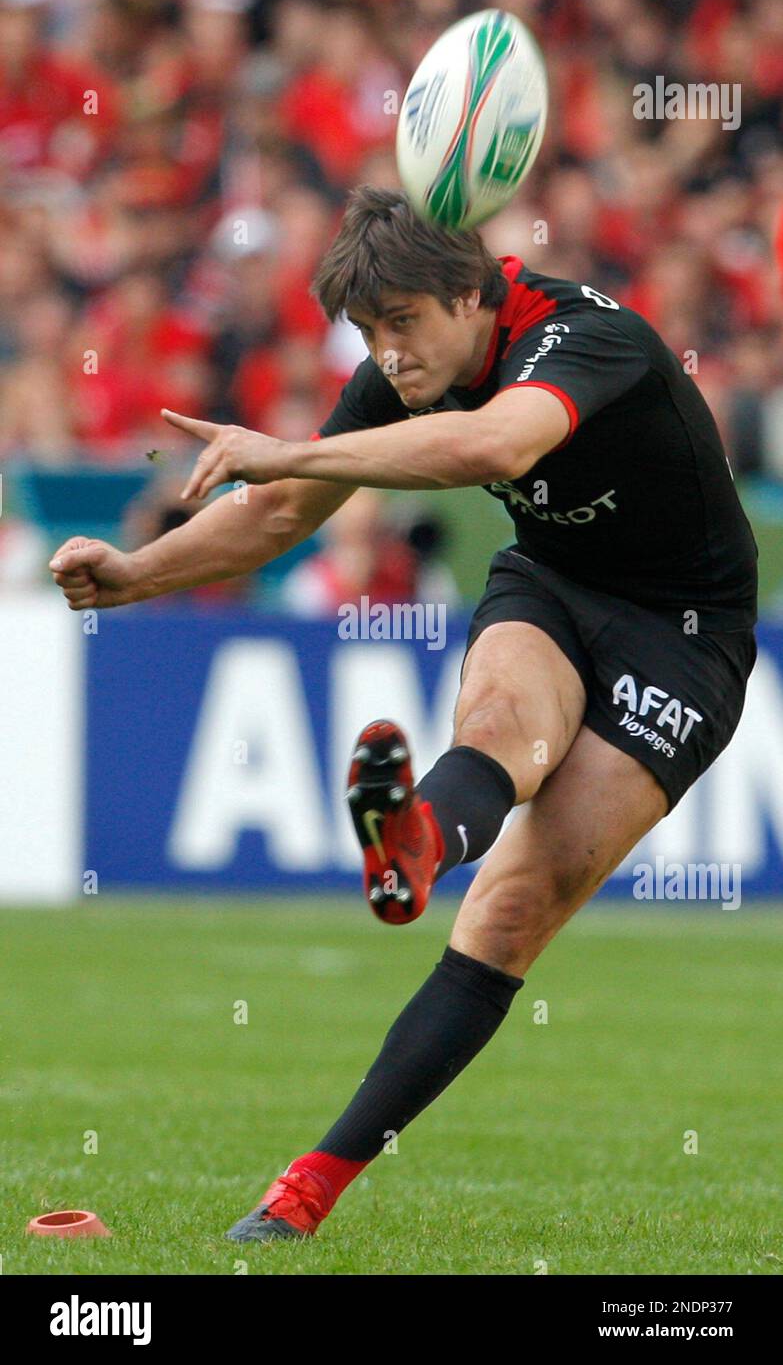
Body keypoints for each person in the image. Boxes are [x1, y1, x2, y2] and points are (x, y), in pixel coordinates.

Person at [49, 186, 758, 1244]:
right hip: (554, 583)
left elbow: (494, 448)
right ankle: (412, 848)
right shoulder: (407, 368)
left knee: (514, 911)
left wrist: (283, 447)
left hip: (687, 632)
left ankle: (318, 1171)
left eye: (403, 326)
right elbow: (281, 517)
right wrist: (134, 572)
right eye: (369, 334)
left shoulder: (587, 335)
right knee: (501, 729)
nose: (388, 355)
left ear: (471, 294)